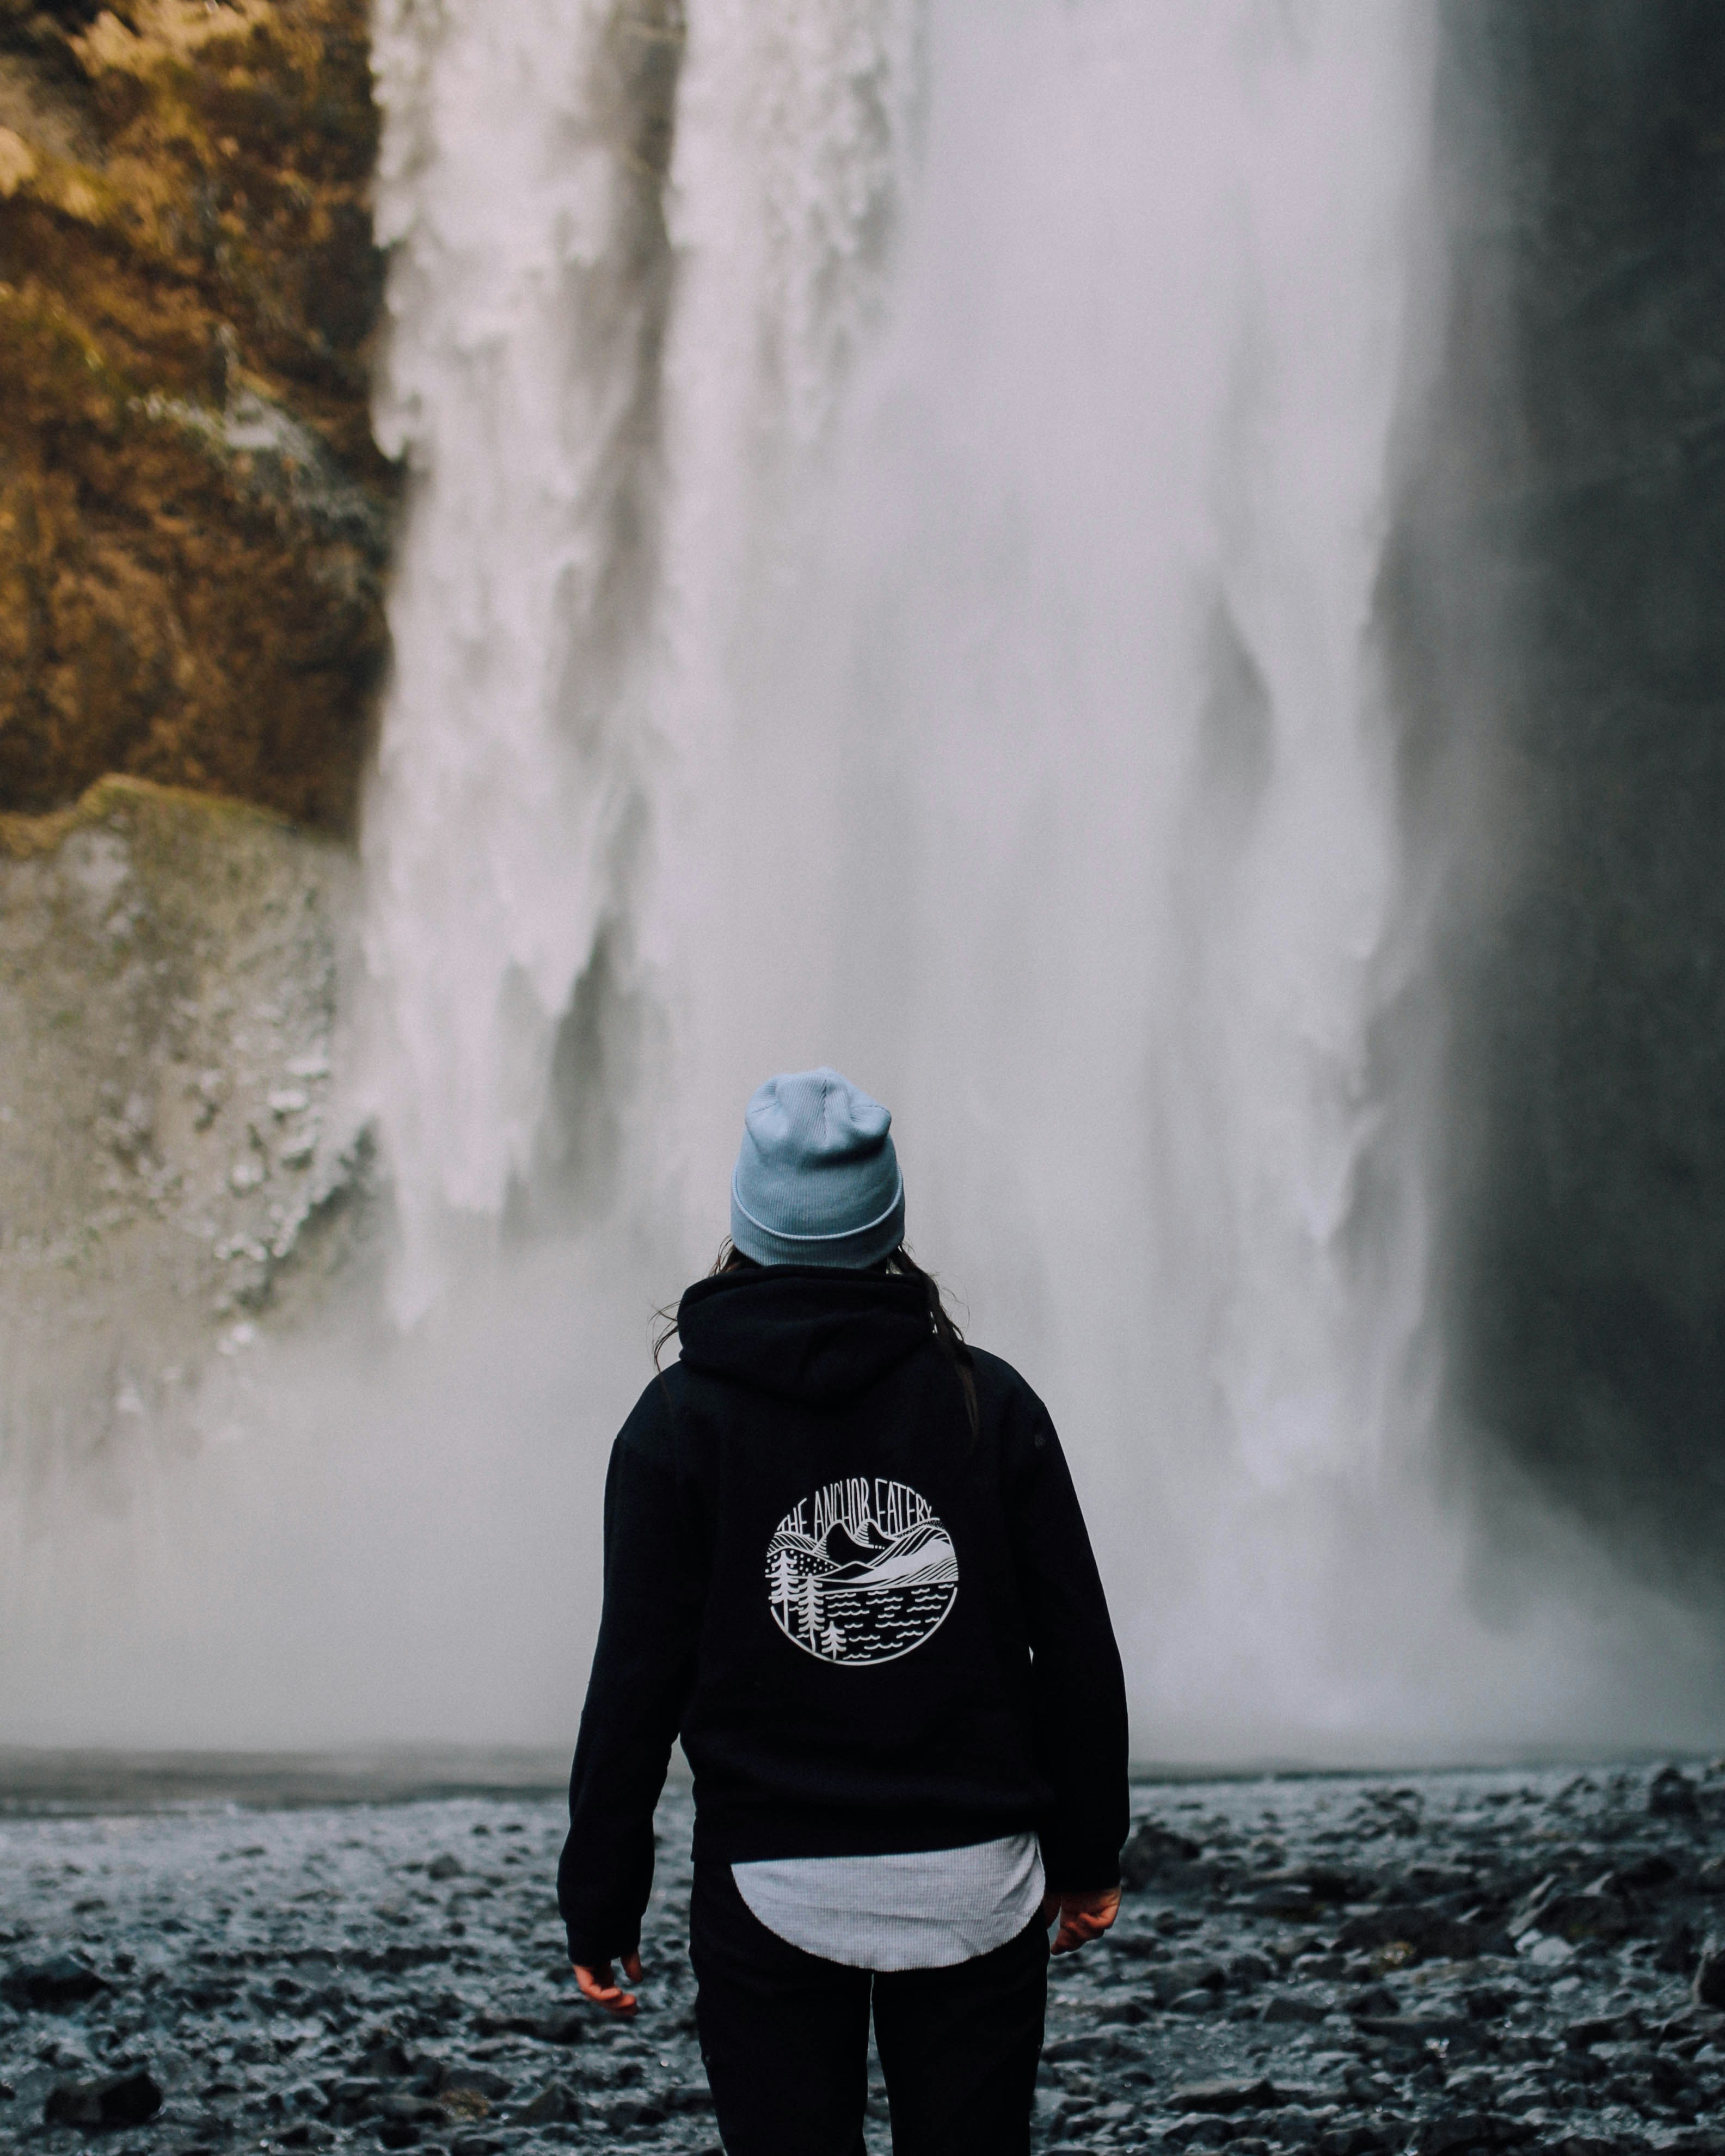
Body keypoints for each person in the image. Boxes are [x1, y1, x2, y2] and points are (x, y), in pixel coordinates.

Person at [558, 1067, 1129, 2156]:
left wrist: (600, 1900)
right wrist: (1090, 1850)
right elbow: (1076, 1652)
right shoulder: (991, 1402)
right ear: (890, 1225)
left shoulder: (675, 1423)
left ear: (745, 1224)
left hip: (773, 1876)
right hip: (978, 1875)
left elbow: (633, 1685)